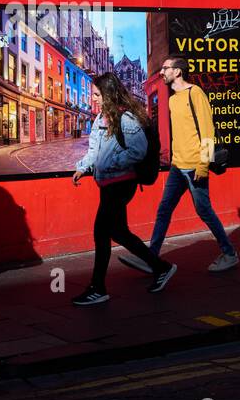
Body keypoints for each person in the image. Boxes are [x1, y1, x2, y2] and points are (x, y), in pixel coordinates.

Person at [121, 56, 239, 274]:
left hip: (195, 165)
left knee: (204, 210)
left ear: (178, 72)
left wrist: (203, 166)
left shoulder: (195, 94)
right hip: (178, 165)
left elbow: (207, 132)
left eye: (165, 68)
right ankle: (151, 256)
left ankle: (229, 253)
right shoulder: (173, 99)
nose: (162, 72)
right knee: (164, 210)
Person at [71, 73, 176, 306]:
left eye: (97, 94)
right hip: (108, 183)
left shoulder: (126, 118)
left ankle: (98, 287)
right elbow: (94, 151)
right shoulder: (101, 119)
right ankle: (161, 268)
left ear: (108, 93)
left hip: (122, 182)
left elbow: (137, 151)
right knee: (118, 232)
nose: (94, 98)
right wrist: (83, 167)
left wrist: (110, 163)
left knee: (101, 231)